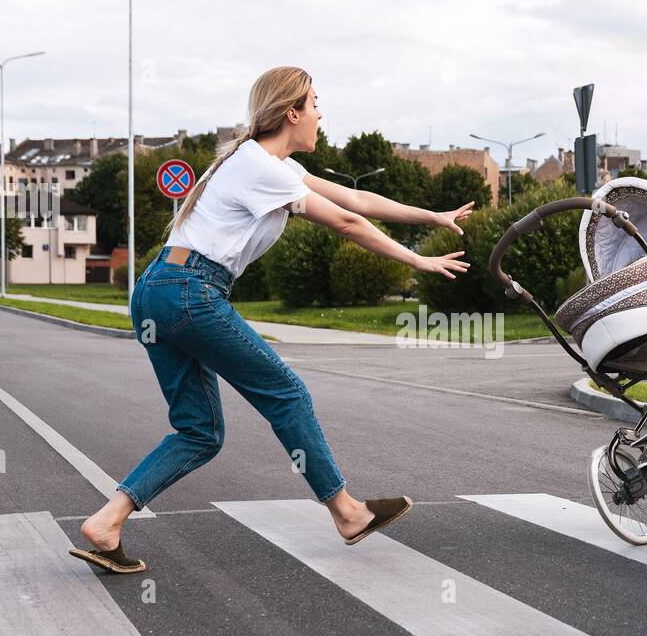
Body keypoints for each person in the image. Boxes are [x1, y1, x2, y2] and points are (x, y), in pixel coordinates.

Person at [71, 66, 472, 573]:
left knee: (198, 432)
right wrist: (418, 261)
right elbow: (348, 223)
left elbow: (358, 200)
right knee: (287, 393)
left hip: (160, 290)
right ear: (292, 113)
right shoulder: (259, 166)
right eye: (316, 104)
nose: (321, 115)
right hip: (192, 290)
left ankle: (106, 522)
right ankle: (346, 512)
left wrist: (433, 217)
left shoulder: (269, 165)